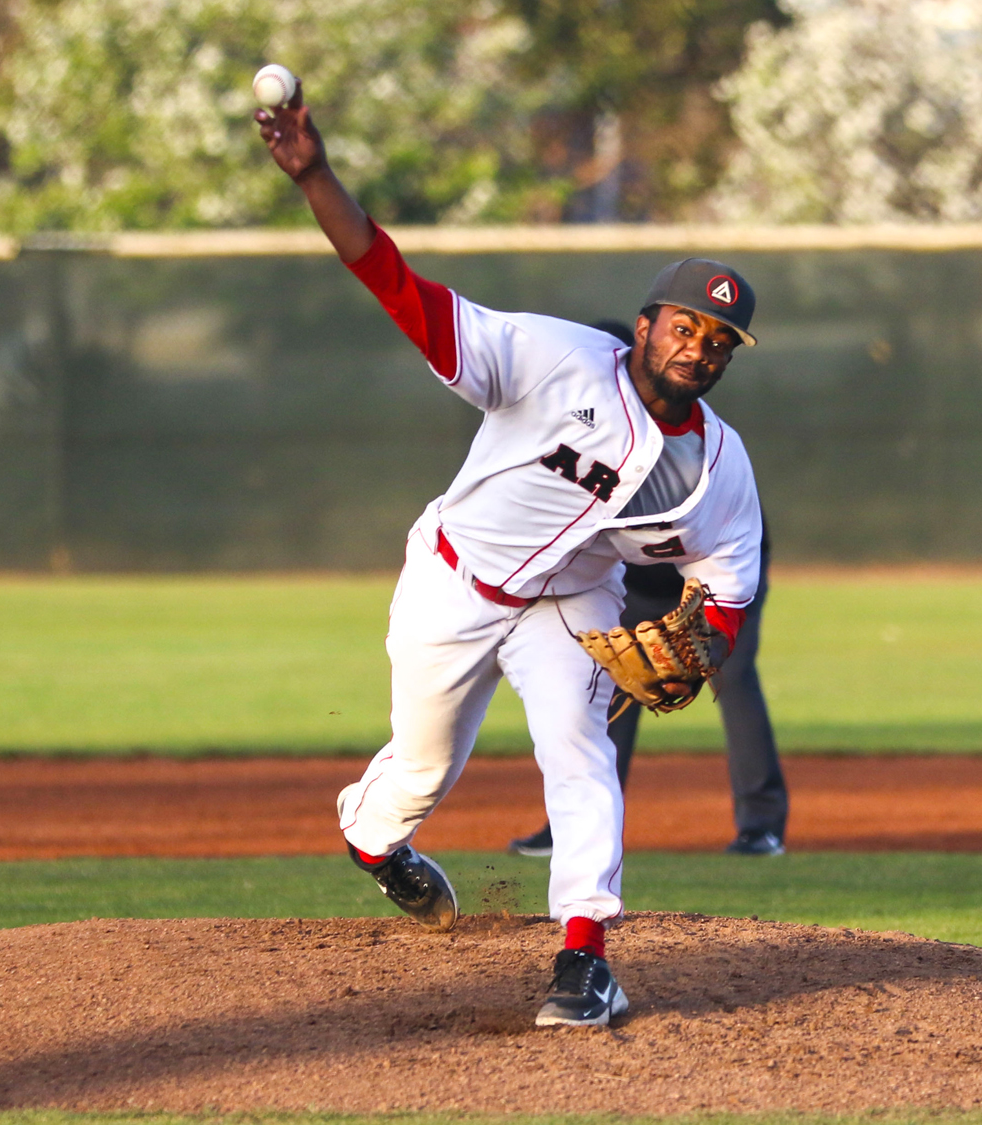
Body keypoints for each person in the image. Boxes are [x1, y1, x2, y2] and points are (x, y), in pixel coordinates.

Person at [256, 84, 766, 1028]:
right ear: (646, 324)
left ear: (728, 358)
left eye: (718, 340)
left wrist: (705, 647)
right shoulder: (550, 356)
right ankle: (375, 844)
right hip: (453, 579)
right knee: (423, 768)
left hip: (569, 604)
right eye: (685, 324)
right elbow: (397, 286)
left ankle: (585, 956)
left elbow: (730, 581)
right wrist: (316, 176)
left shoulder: (719, 467)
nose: (698, 346)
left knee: (580, 753)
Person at [509, 322, 787, 859]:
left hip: (716, 580)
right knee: (609, 691)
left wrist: (713, 626)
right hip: (631, 581)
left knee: (731, 678)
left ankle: (762, 825)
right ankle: (576, 822)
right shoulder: (580, 424)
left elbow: (729, 544)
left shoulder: (684, 430)